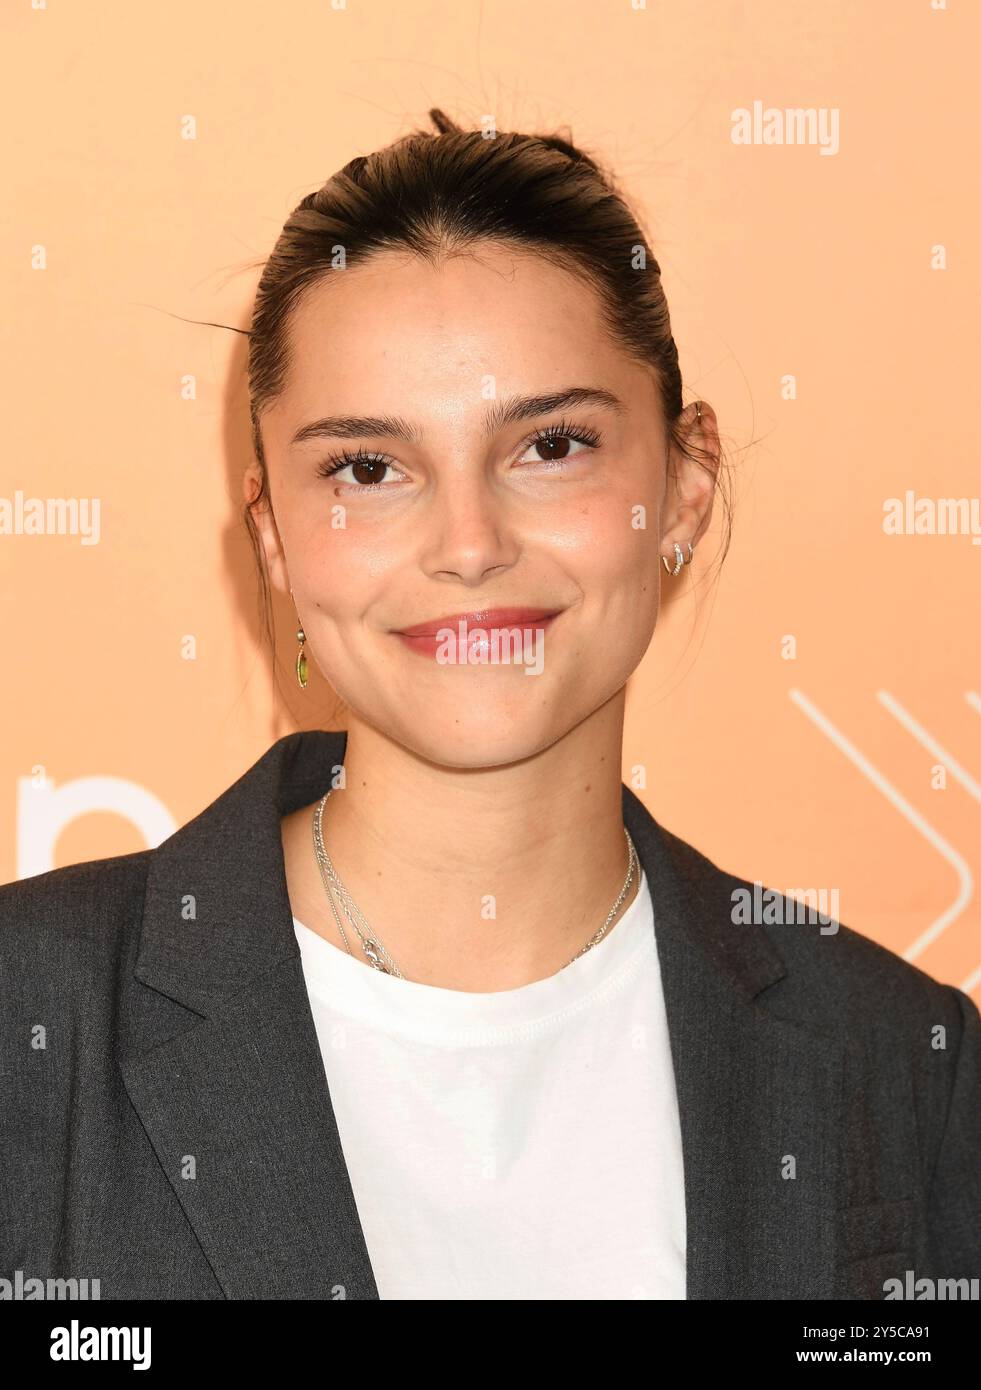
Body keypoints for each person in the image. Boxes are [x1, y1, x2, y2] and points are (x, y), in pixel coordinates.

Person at [1, 111, 978, 1302]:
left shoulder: (905, 1068)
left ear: (684, 486)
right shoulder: (28, 1017)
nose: (468, 544)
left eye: (551, 445)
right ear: (273, 537)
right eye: (367, 468)